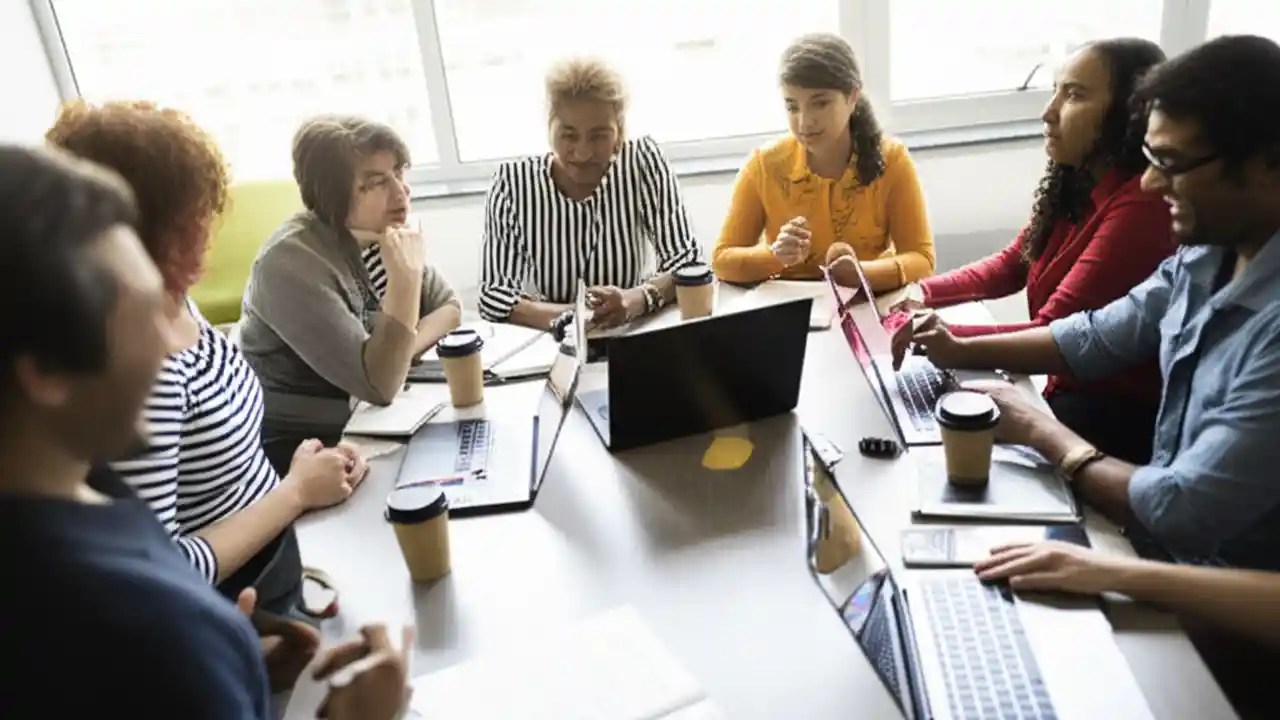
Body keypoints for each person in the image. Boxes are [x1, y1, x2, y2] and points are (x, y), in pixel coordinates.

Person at [0, 144, 410, 719]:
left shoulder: (96, 505)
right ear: (44, 370)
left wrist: (233, 661)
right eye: (142, 314)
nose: (173, 342)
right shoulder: (141, 625)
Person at [915, 35, 1280, 572]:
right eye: (1152, 157)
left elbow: (1182, 509)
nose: (1153, 182)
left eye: (1172, 162)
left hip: (1211, 605)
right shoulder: (1204, 258)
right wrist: (950, 347)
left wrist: (1042, 432)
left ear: (1268, 165)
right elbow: (1094, 334)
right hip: (1159, 554)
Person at [48, 100, 365, 618]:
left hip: (284, 556)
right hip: (239, 604)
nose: (206, 230)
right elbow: (163, 569)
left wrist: (303, 473)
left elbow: (223, 471)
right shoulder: (141, 373)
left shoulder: (175, 303)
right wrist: (295, 493)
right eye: (186, 218)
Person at [887, 39, 1172, 465]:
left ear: (1127, 114)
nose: (1048, 111)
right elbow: (1011, 264)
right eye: (1055, 90)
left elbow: (1052, 328)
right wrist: (919, 294)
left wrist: (944, 337)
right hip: (1063, 389)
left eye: (1073, 95)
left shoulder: (1141, 205)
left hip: (1109, 415)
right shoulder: (1076, 179)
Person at [239, 115, 461, 473]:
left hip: (367, 421)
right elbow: (380, 384)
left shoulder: (378, 231)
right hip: (300, 444)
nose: (400, 192)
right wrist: (405, 285)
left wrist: (403, 349)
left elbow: (449, 307)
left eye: (399, 173)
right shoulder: (291, 263)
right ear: (333, 194)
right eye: (375, 183)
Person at [478, 57, 702, 330]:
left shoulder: (642, 161)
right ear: (550, 128)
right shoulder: (512, 183)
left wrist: (637, 299)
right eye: (569, 135)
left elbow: (689, 264)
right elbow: (494, 297)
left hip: (634, 334)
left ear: (619, 133)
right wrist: (576, 316)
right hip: (557, 342)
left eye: (598, 136)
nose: (583, 153)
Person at [712, 32, 934, 291]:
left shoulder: (893, 160)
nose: (805, 122)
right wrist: (774, 256)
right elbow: (721, 260)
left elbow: (922, 260)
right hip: (789, 314)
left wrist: (858, 274)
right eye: (792, 107)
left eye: (820, 104)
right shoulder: (763, 166)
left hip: (868, 308)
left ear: (852, 97)